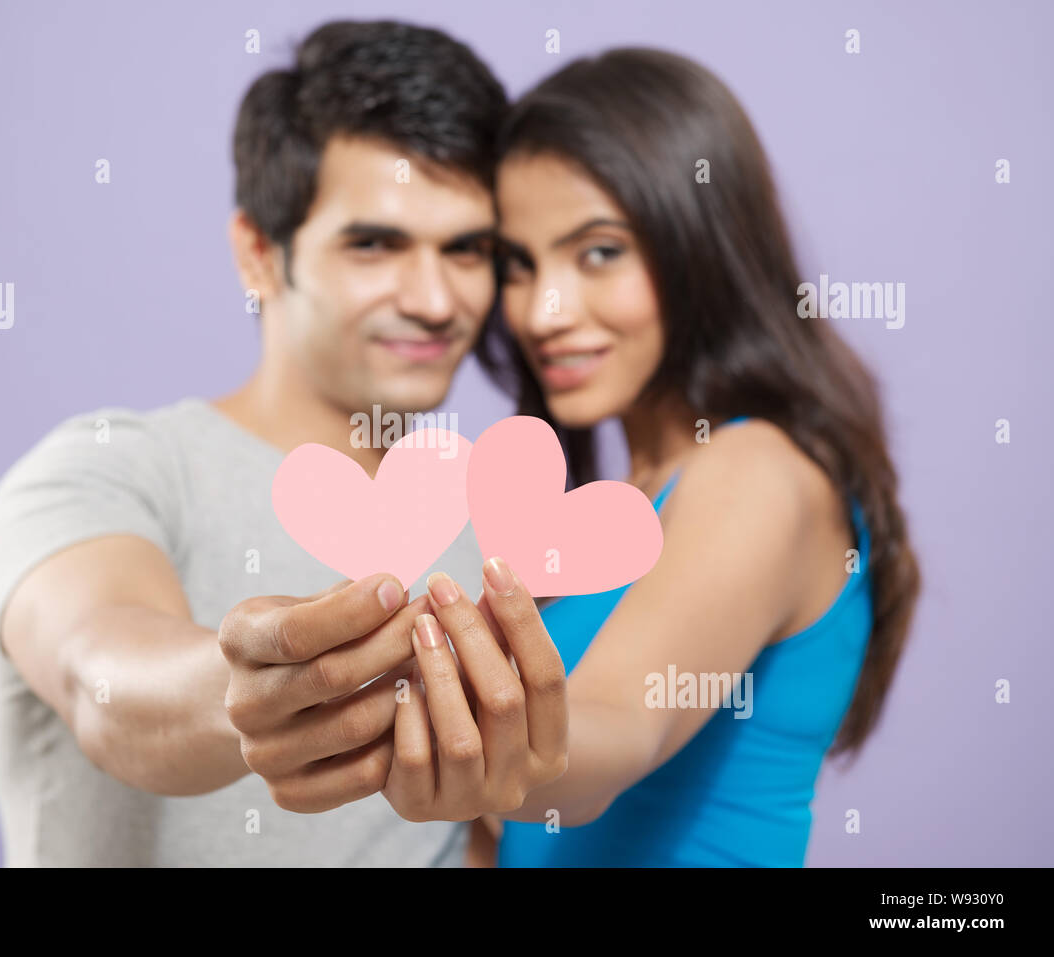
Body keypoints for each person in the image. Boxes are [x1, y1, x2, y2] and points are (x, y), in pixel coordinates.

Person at [0, 19, 534, 866]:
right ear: (258, 253)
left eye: (466, 250)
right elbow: (103, 680)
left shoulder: (493, 528)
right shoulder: (107, 468)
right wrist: (257, 687)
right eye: (376, 244)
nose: (433, 298)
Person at [364, 47, 922, 866]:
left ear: (702, 242)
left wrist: (433, 735)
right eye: (520, 264)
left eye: (599, 252)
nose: (544, 312)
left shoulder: (756, 471)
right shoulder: (627, 500)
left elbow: (621, 725)